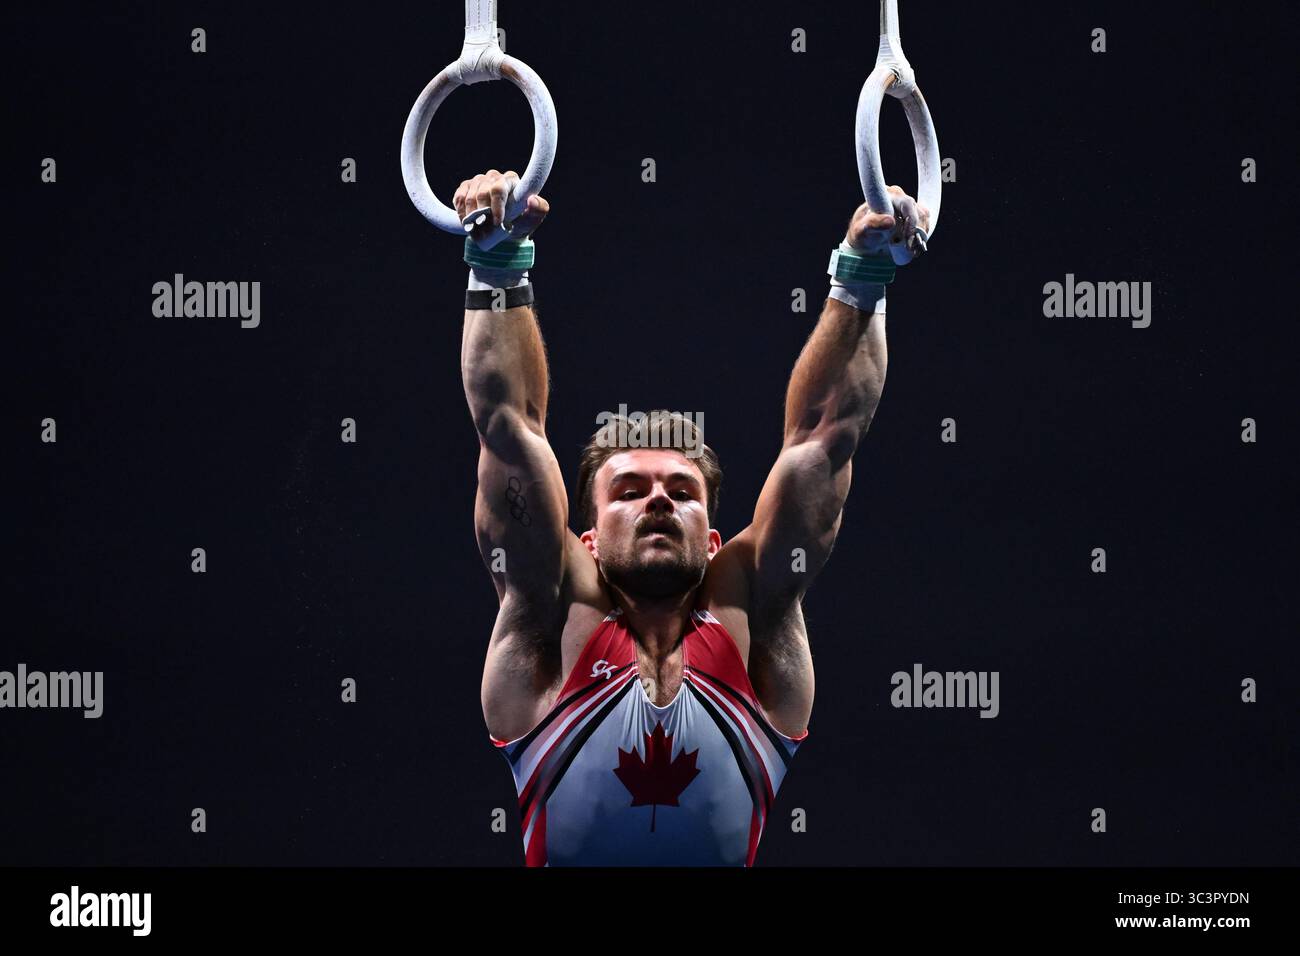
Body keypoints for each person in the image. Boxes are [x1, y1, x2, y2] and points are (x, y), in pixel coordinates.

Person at [457, 170, 930, 865]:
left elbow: (825, 440)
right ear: (586, 539)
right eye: (628, 491)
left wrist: (862, 275)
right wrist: (496, 262)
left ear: (714, 541)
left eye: (681, 490)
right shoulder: (548, 620)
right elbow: (507, 427)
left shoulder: (757, 618)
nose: (656, 499)